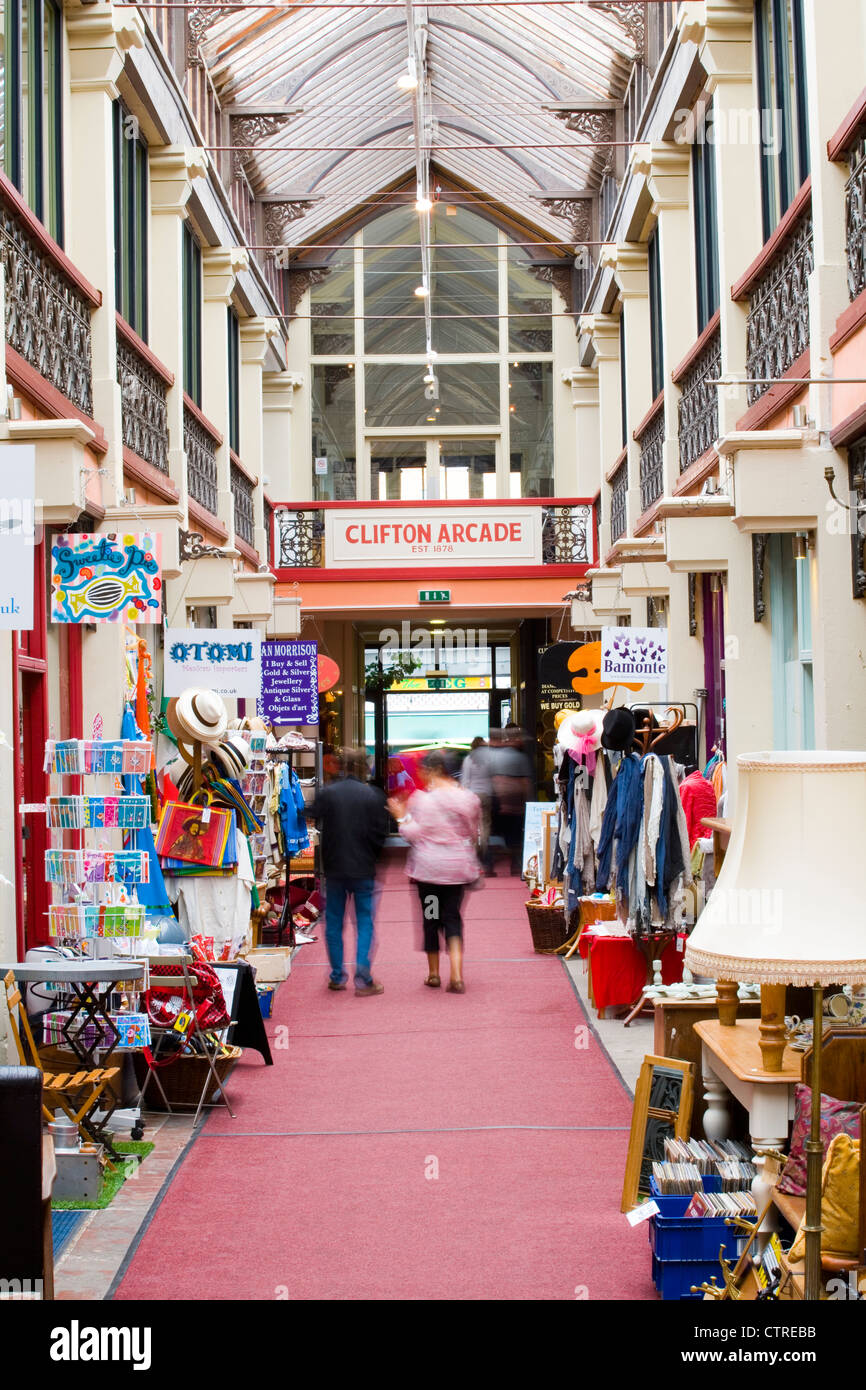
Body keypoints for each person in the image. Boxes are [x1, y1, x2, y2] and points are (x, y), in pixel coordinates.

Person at [388, 750, 480, 994]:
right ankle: (458, 975)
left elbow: (413, 834)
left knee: (431, 919)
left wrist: (401, 817)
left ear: (430, 771)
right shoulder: (469, 798)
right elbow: (473, 833)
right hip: (457, 869)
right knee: (452, 917)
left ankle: (434, 974)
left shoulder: (421, 800)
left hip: (429, 871)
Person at [308, 747, 388, 996]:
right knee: (364, 922)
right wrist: (375, 858)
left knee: (333, 923)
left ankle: (337, 975)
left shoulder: (328, 794)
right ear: (364, 768)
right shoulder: (373, 796)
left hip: (334, 868)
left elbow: (310, 816)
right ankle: (363, 977)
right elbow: (380, 834)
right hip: (363, 867)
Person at [488, 726, 534, 875]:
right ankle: (515, 864)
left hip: (499, 800)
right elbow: (526, 782)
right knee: (515, 835)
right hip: (515, 802)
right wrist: (530, 800)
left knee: (496, 833)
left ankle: (489, 864)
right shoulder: (520, 757)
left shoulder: (497, 756)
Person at [459, 735, 494, 874]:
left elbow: (465, 781)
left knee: (472, 827)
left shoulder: (468, 759)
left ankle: (474, 858)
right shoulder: (489, 760)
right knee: (485, 826)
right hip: (486, 795)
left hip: (472, 795)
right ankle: (485, 854)